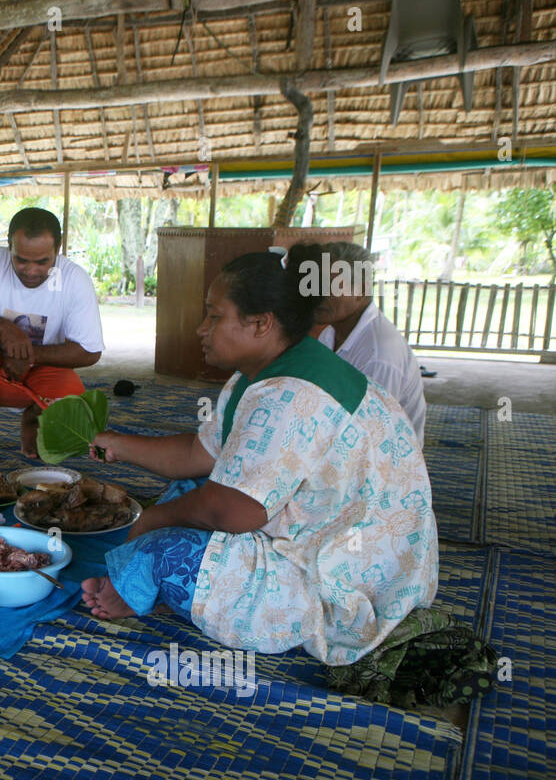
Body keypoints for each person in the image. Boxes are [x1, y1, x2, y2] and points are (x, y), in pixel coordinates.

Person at [81, 252, 438, 666]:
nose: (202, 328)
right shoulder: (261, 371)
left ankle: (163, 589)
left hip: (350, 577)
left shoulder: (290, 392)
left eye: (214, 316)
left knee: (163, 551)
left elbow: (234, 510)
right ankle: (169, 582)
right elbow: (199, 454)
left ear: (261, 323)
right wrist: (118, 444)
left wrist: (151, 522)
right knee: (186, 491)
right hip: (325, 525)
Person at [0, 207, 104, 472]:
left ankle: (33, 416)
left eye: (42, 261)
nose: (30, 271)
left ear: (58, 249)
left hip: (39, 373)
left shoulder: (74, 279)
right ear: (9, 246)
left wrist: (29, 356)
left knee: (79, 410)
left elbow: (89, 351)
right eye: (21, 260)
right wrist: (3, 327)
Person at [298, 240, 426, 446]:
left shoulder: (378, 355)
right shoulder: (329, 334)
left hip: (385, 458)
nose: (317, 296)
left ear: (360, 291)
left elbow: (373, 432)